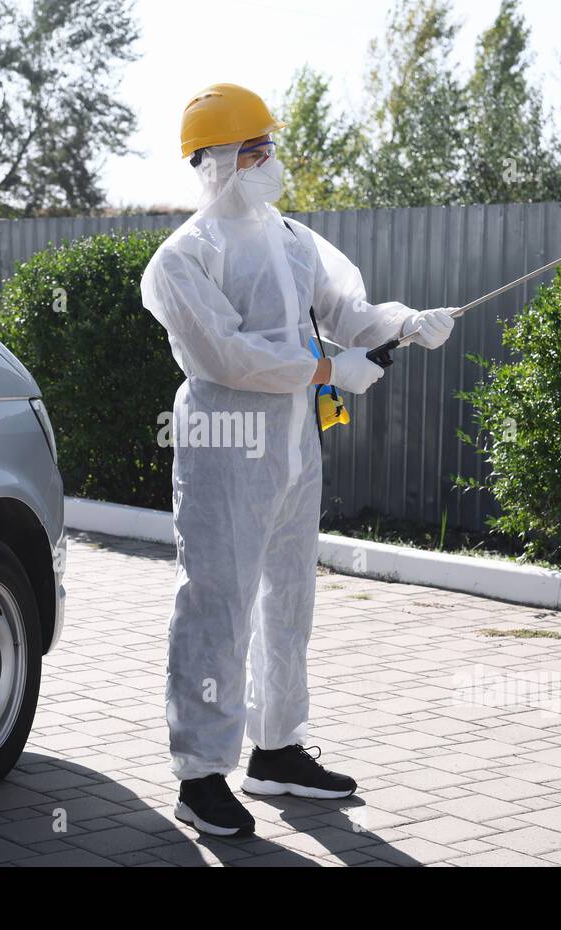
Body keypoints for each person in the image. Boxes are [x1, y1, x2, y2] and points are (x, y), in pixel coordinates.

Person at [140, 83, 457, 838]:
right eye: (251, 151)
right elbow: (226, 355)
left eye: (269, 147)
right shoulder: (181, 259)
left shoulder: (291, 240)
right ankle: (201, 773)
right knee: (217, 600)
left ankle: (276, 749)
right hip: (225, 449)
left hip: (290, 448)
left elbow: (348, 312)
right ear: (212, 163)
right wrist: (326, 370)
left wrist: (406, 322)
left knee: (289, 602)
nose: (266, 162)